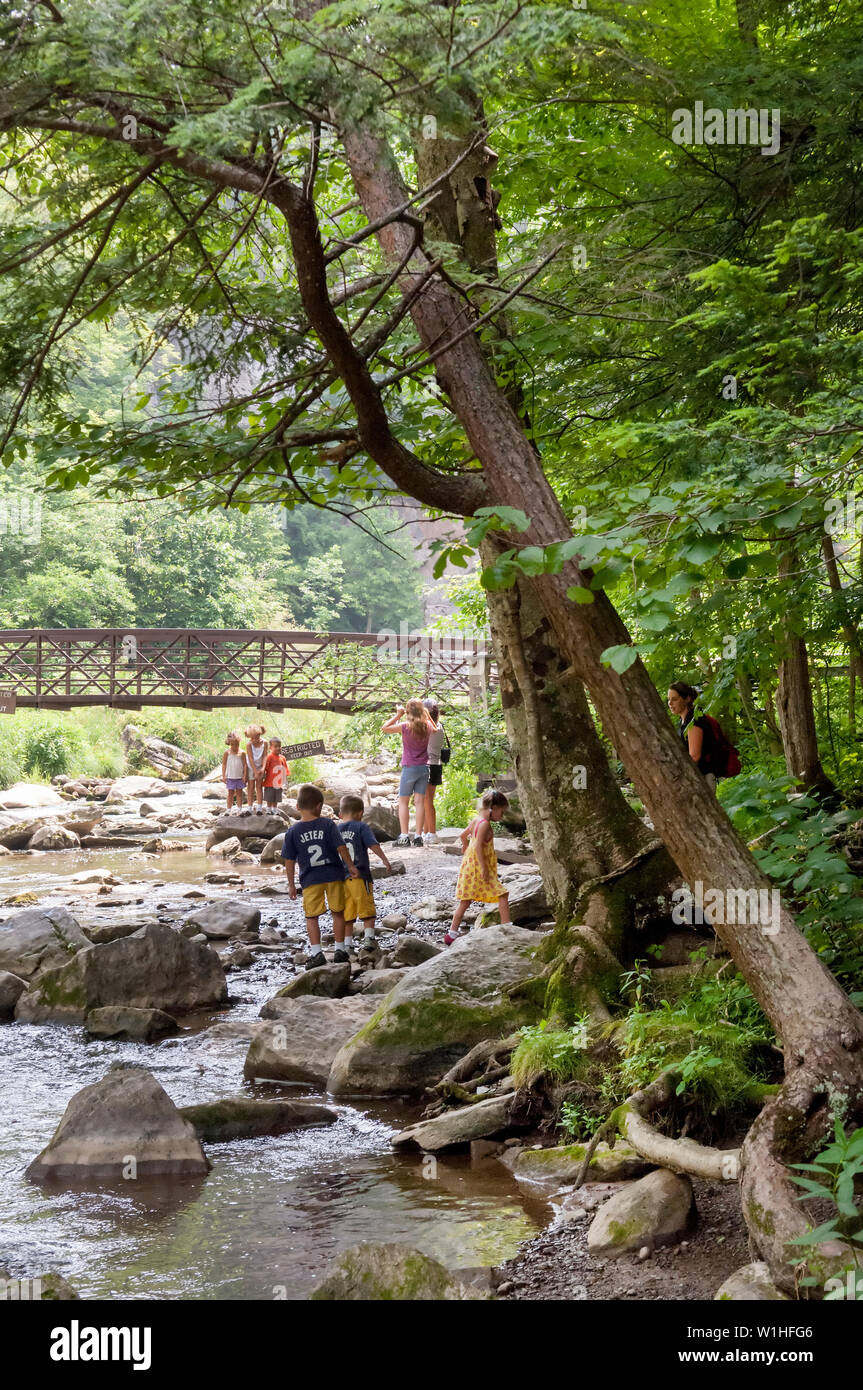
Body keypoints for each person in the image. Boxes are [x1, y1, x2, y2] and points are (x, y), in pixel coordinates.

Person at [281, 783, 359, 969]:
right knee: (338, 912)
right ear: (319, 807)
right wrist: (351, 866)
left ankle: (317, 953)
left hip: (310, 880)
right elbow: (341, 848)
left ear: (298, 807)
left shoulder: (293, 831)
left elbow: (289, 861)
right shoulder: (327, 824)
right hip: (333, 875)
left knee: (311, 917)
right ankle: (340, 950)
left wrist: (291, 884)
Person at [444, 789, 511, 946]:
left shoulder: (476, 820)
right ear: (493, 808)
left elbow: (462, 835)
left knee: (465, 902)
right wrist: (484, 868)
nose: (502, 815)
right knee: (503, 894)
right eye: (501, 811)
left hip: (469, 868)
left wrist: (465, 845)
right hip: (478, 870)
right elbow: (479, 847)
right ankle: (508, 929)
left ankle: (451, 934)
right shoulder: (485, 824)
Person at [337, 794, 393, 957]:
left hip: (342, 879)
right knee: (367, 908)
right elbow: (372, 844)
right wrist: (384, 859)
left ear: (340, 814)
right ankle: (369, 938)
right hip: (360, 876)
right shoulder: (361, 827)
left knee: (347, 913)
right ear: (361, 813)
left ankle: (347, 945)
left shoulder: (336, 829)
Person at [380, 698, 437, 848]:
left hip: (409, 768)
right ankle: (418, 837)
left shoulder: (405, 726)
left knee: (403, 802)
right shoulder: (428, 726)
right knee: (419, 803)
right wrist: (427, 714)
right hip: (424, 769)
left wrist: (398, 715)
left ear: (407, 711)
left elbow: (384, 728)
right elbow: (436, 728)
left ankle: (404, 836)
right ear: (422, 710)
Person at [667, 682, 717, 792]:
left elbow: (694, 756)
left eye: (674, 699)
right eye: (668, 699)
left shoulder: (694, 720)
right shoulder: (683, 721)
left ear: (687, 699)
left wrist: (681, 778)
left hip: (703, 778)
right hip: (696, 777)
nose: (670, 703)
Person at [422, 698, 448, 845]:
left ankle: (432, 833)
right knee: (427, 801)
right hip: (436, 765)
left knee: (427, 801)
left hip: (428, 765)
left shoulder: (428, 727)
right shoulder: (440, 725)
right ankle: (427, 833)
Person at [243, 723, 267, 813]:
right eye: (251, 738)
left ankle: (259, 807)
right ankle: (249, 807)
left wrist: (263, 768)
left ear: (259, 735)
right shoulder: (249, 745)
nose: (253, 740)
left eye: (255, 738)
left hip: (260, 767)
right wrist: (255, 771)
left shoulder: (265, 743)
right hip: (251, 767)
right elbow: (250, 758)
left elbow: (265, 756)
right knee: (251, 787)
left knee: (259, 787)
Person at [221, 731, 247, 810]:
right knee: (230, 793)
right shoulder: (227, 753)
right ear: (229, 743)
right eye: (232, 745)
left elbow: (245, 765)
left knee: (239, 793)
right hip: (230, 777)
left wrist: (245, 775)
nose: (235, 747)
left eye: (237, 744)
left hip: (239, 777)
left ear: (239, 743)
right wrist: (224, 775)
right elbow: (224, 764)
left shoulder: (242, 753)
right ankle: (229, 809)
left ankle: (239, 809)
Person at [263, 737, 291, 808]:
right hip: (269, 782)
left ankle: (275, 809)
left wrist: (284, 781)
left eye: (279, 746)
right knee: (269, 797)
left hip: (278, 782)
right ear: (270, 748)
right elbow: (265, 768)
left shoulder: (282, 758)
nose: (278, 748)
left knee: (276, 797)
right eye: (275, 746)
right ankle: (269, 809)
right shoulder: (269, 757)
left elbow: (285, 770)